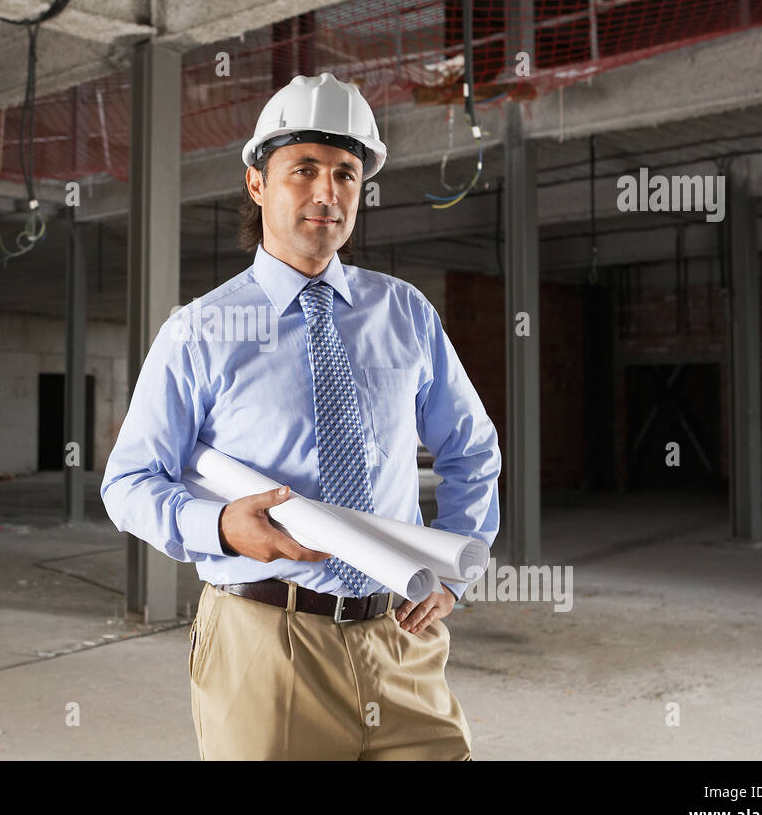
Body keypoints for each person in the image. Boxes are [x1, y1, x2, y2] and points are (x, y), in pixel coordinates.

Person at [101, 72, 502, 761]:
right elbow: (130, 482)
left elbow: (471, 447)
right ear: (257, 183)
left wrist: (456, 566)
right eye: (304, 169)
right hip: (267, 644)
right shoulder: (201, 330)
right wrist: (222, 527)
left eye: (347, 174)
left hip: (399, 640)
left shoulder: (403, 312)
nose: (328, 193)